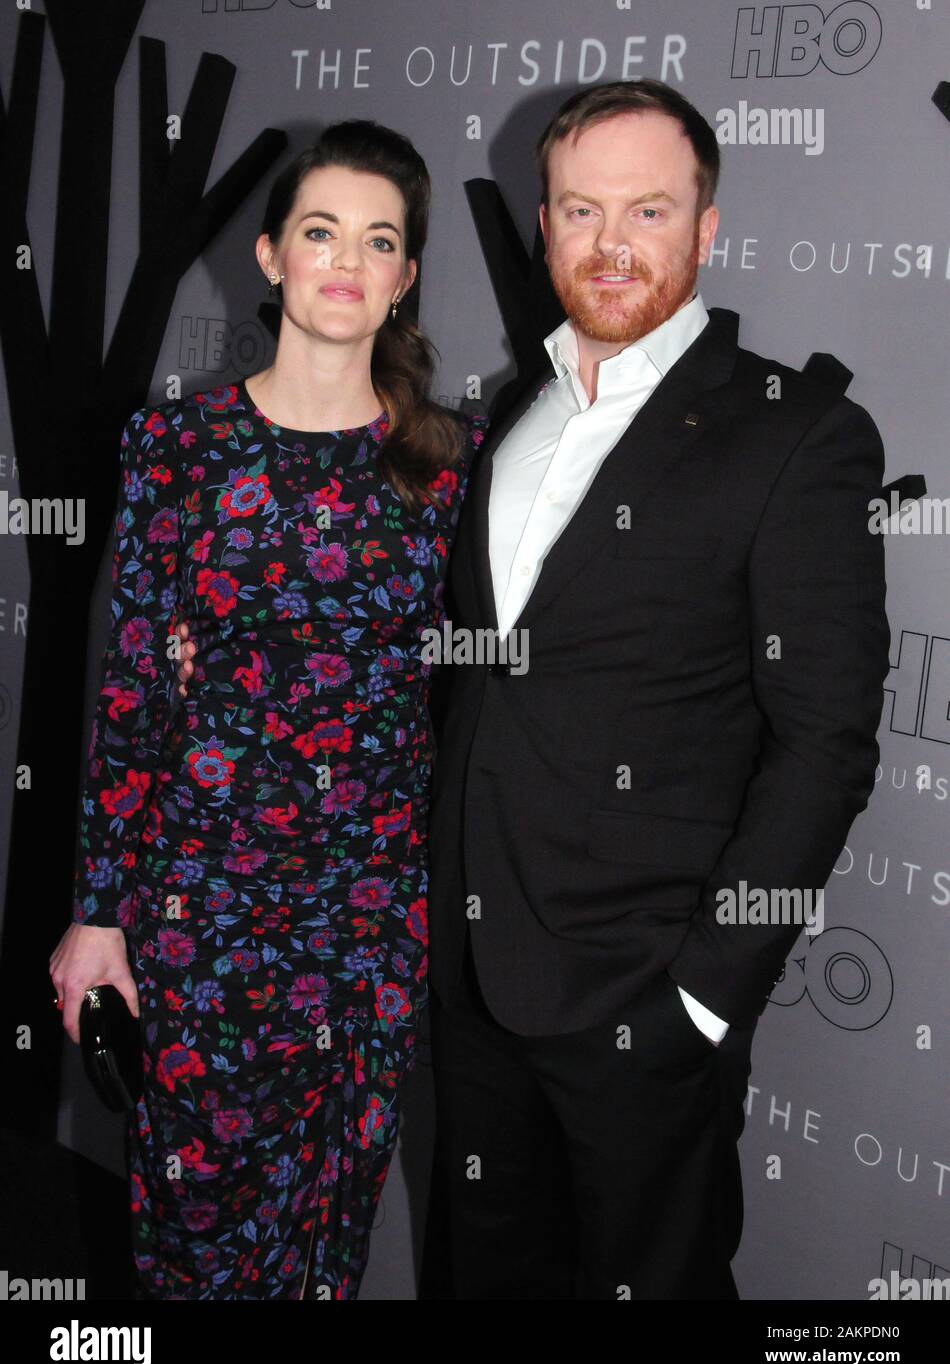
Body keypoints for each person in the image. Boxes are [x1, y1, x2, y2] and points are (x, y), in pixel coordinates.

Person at [421, 79, 889, 1299]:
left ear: (706, 229)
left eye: (646, 210)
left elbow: (824, 743)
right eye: (579, 211)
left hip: (642, 999)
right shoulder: (507, 414)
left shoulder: (795, 431)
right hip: (469, 975)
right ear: (544, 224)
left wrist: (701, 996)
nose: (609, 243)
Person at [50, 119, 488, 1300]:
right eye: (320, 231)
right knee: (196, 1227)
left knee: (325, 1238)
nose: (346, 260)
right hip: (203, 907)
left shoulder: (451, 462)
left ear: (403, 278)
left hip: (368, 917)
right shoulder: (176, 445)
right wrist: (98, 915)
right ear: (270, 256)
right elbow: (135, 690)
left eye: (379, 240)